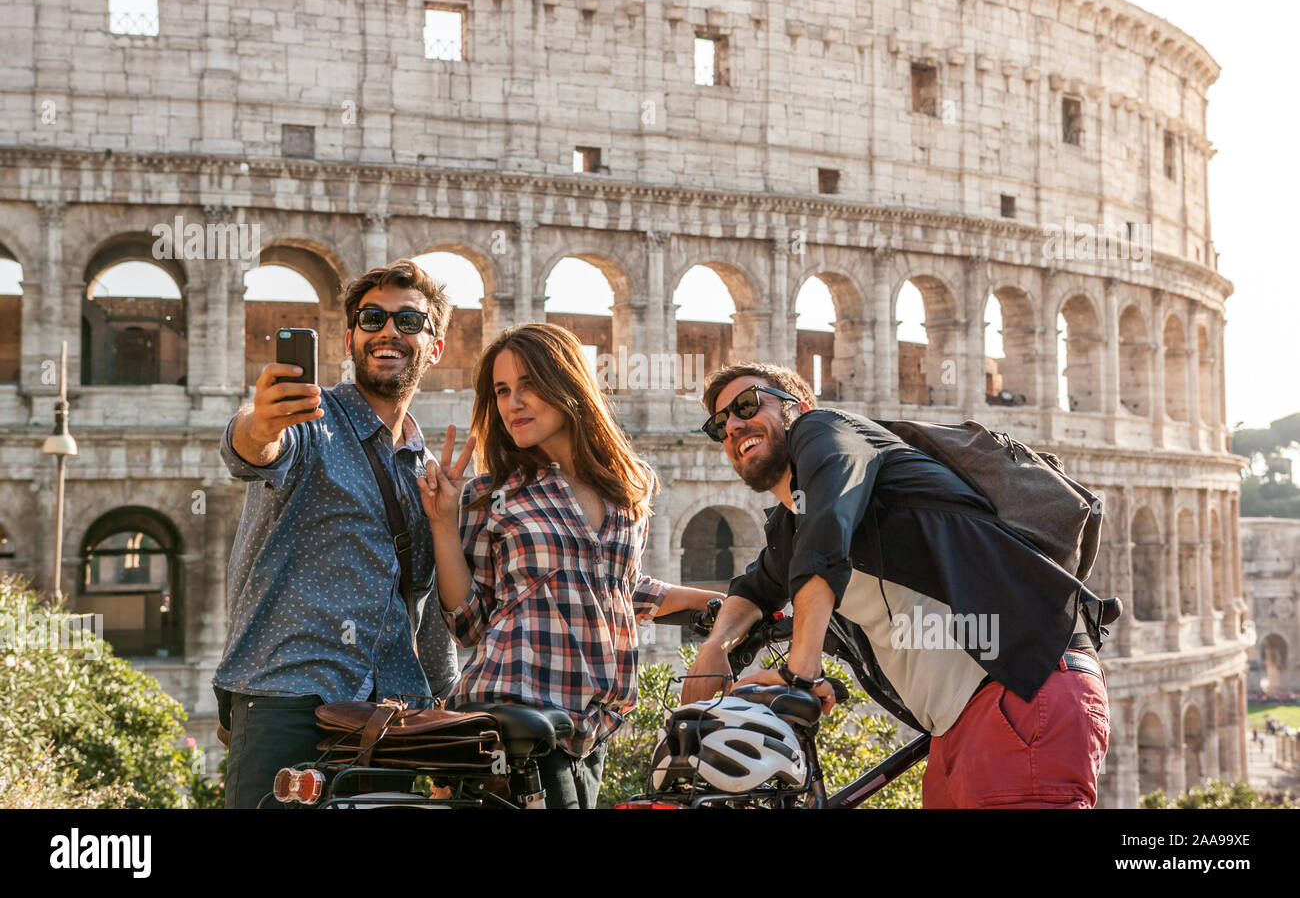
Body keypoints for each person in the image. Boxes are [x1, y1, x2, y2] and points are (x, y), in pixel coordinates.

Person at [681, 362, 1111, 809]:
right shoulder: (793, 522)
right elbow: (754, 588)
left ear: (800, 407)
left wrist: (800, 672)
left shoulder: (825, 428)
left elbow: (825, 535)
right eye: (719, 424)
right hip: (957, 723)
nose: (732, 424)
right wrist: (715, 647)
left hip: (1022, 688)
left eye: (747, 404)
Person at [419, 323, 718, 808]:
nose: (513, 403)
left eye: (529, 385)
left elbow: (621, 587)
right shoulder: (490, 494)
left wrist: (737, 605)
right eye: (502, 391)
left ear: (568, 383)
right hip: (513, 714)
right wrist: (441, 524)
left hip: (590, 724)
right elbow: (468, 624)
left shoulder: (628, 489)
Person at [214, 259, 460, 809]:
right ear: (349, 338)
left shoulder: (426, 469)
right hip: (289, 702)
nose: (388, 331)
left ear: (435, 346)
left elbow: (421, 608)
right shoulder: (308, 420)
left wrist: (442, 703)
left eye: (408, 321)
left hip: (388, 718)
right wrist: (259, 424)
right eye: (371, 319)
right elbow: (252, 451)